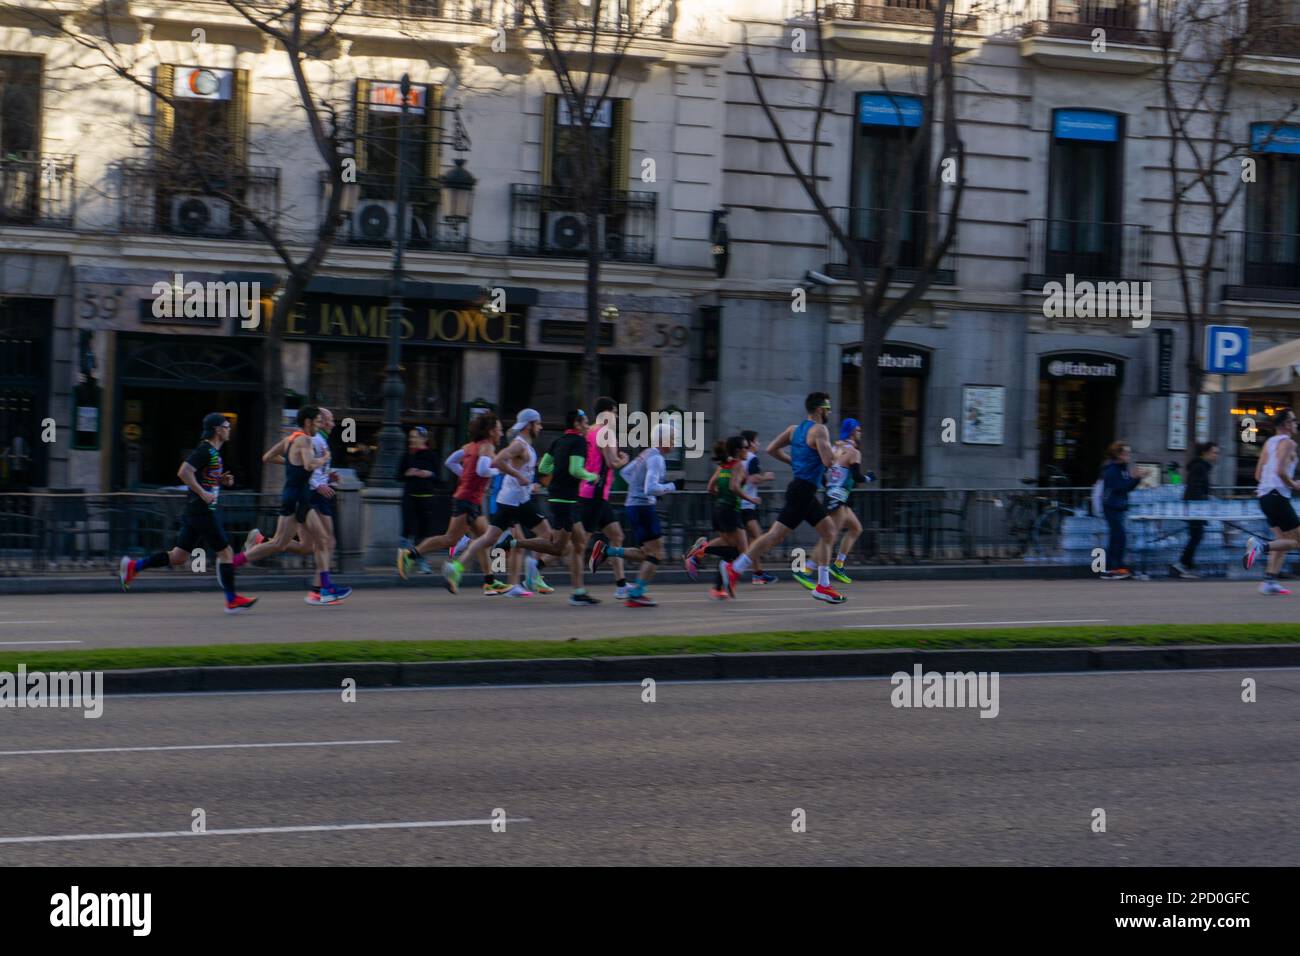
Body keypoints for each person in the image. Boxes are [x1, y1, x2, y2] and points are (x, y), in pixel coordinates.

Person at [118, 412, 257, 613]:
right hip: (203, 511)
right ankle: (232, 600)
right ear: (217, 430)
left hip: (195, 511)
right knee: (226, 552)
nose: (229, 429)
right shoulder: (205, 450)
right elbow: (184, 472)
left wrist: (221, 481)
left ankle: (133, 567)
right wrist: (202, 493)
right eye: (226, 426)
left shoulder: (213, 453)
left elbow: (203, 478)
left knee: (178, 556)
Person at [719, 392, 846, 604]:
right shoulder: (820, 430)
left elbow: (771, 449)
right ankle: (735, 568)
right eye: (827, 408)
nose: (829, 412)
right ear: (818, 409)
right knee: (777, 536)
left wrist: (794, 463)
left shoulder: (793, 430)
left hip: (800, 489)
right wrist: (840, 451)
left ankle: (823, 585)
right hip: (803, 491)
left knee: (826, 532)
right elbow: (828, 462)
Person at [442, 409, 565, 596]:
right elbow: (498, 461)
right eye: (538, 423)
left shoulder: (525, 446)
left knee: (488, 539)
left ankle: (457, 567)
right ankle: (532, 573)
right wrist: (519, 478)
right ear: (529, 425)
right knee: (548, 537)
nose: (540, 427)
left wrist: (527, 482)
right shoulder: (519, 445)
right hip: (517, 501)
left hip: (509, 499)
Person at [236, 406, 352, 604]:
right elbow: (308, 465)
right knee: (324, 540)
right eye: (318, 421)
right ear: (309, 422)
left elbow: (267, 457)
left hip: (295, 496)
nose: (323, 424)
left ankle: (234, 561)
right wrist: (321, 461)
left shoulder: (290, 438)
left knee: (284, 543)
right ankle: (324, 589)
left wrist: (293, 464)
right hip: (301, 497)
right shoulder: (306, 439)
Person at [397, 413, 504, 594]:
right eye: (500, 430)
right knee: (450, 539)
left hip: (471, 499)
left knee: (484, 539)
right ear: (492, 431)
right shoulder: (487, 446)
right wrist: (498, 470)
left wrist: (465, 476)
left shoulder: (470, 446)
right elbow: (483, 469)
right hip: (467, 500)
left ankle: (489, 581)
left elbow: (450, 462)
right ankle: (409, 554)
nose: (501, 434)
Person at [591, 422, 680, 607]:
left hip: (634, 505)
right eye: (672, 438)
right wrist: (673, 486)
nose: (675, 442)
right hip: (643, 507)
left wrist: (638, 488)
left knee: (645, 553)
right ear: (663, 440)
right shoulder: (657, 458)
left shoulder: (646, 453)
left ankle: (607, 551)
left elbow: (625, 472)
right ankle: (637, 593)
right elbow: (651, 488)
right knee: (657, 554)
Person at [538, 409, 601, 606]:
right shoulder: (579, 442)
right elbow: (576, 469)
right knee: (561, 546)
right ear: (576, 423)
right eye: (585, 422)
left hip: (559, 497)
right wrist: (592, 476)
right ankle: (533, 565)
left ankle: (578, 591)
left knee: (579, 543)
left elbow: (543, 468)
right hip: (566, 500)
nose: (587, 425)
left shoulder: (558, 441)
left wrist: (559, 473)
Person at [578, 396, 632, 599]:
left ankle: (621, 585)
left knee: (617, 535)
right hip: (596, 494)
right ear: (608, 412)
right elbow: (612, 463)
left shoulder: (589, 431)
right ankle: (537, 566)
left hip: (591, 491)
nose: (617, 416)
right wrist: (624, 459)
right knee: (578, 542)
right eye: (615, 412)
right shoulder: (606, 432)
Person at [1244, 408, 1300, 594]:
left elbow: (1258, 474)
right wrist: (1294, 485)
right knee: (1296, 541)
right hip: (1277, 496)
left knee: (1282, 540)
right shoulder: (1289, 443)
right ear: (1285, 424)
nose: (1295, 423)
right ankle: (1259, 547)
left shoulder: (1269, 443)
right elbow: (1280, 472)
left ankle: (1269, 581)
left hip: (1265, 497)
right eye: (1293, 420)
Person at [819, 418, 867, 587]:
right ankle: (809, 570)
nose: (860, 433)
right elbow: (857, 476)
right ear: (853, 431)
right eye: (858, 430)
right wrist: (869, 477)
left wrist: (831, 487)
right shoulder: (853, 452)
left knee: (856, 528)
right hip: (838, 497)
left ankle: (838, 565)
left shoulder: (836, 448)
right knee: (830, 536)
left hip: (836, 496)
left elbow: (825, 474)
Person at [398, 426, 440, 575]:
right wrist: (408, 473)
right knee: (406, 530)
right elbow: (399, 476)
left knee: (423, 533)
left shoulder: (432, 456)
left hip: (426, 498)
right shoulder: (407, 456)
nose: (412, 439)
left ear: (424, 439)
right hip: (409, 496)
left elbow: (439, 477)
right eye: (410, 436)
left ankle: (422, 563)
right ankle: (403, 562)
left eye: (415, 437)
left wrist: (428, 474)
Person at [1171, 441, 1217, 580]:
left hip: (1195, 507)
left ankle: (1186, 565)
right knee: (1196, 536)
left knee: (1196, 536)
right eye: (1214, 452)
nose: (1216, 455)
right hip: (1196, 508)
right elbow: (1195, 488)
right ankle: (1183, 565)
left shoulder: (1201, 466)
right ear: (1205, 453)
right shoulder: (1200, 467)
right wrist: (1201, 506)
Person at [1098, 440, 1141, 581]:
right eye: (1125, 453)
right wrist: (1136, 479)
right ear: (1118, 454)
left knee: (1118, 536)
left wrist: (1135, 479)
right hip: (1111, 506)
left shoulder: (1122, 468)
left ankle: (1116, 567)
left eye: (1129, 453)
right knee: (1118, 536)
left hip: (1118, 505)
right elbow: (1120, 487)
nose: (1128, 455)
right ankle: (1113, 567)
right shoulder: (1111, 470)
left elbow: (1127, 486)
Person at [739, 430, 776, 585]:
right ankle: (701, 553)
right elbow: (754, 479)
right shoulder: (752, 459)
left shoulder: (739, 459)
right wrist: (766, 477)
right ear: (750, 443)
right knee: (759, 538)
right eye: (757, 441)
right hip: (747, 504)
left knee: (748, 540)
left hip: (741, 503)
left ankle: (757, 573)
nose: (759, 444)